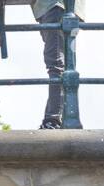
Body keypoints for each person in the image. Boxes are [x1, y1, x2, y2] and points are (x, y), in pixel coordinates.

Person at [31, 0, 86, 129]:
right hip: (64, 8)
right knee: (65, 62)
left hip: (54, 6)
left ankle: (53, 119)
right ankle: (58, 117)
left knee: (56, 63)